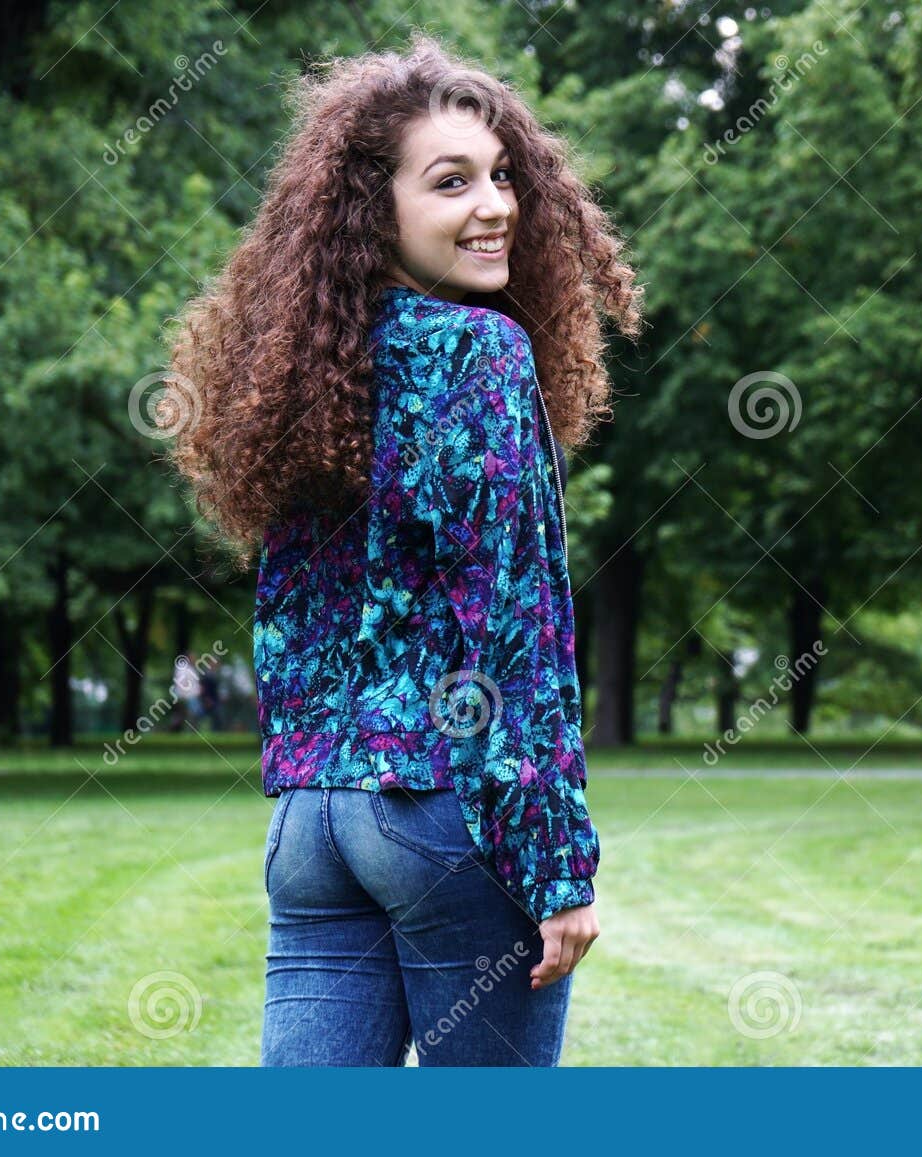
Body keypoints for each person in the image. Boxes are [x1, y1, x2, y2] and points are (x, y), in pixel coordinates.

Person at [163, 36, 643, 1066]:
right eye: (451, 182)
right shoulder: (480, 351)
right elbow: (510, 633)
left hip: (313, 826)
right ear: (371, 209)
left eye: (503, 175)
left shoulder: (295, 371)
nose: (497, 204)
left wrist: (309, 777)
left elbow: (290, 621)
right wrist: (557, 866)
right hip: (436, 812)